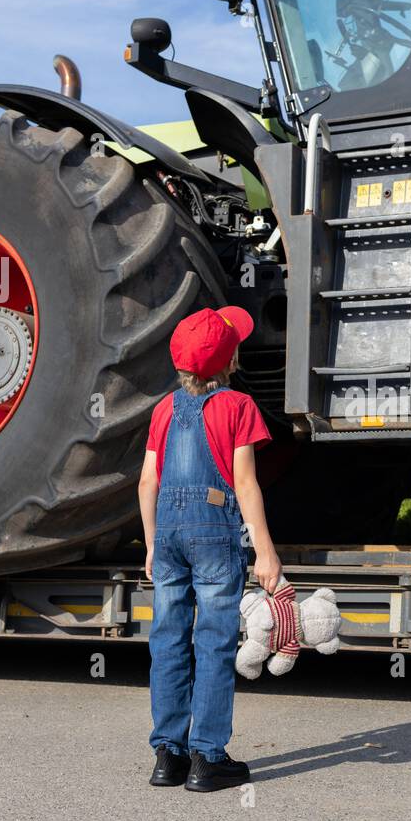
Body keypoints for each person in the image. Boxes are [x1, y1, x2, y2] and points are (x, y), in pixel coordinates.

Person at [138, 306, 281, 792]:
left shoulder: (162, 409)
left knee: (168, 642)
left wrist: (152, 543)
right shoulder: (239, 406)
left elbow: (147, 481)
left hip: (171, 534)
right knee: (215, 643)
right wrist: (265, 550)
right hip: (215, 533)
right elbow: (244, 482)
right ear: (230, 357)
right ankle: (207, 758)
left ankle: (167, 756)